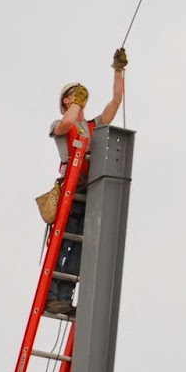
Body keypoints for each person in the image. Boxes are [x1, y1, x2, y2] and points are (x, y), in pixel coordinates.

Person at [44, 48, 127, 316]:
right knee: (62, 243)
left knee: (80, 247)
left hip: (88, 192)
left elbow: (115, 102)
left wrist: (118, 71)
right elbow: (67, 123)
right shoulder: (60, 124)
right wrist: (76, 102)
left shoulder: (93, 126)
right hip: (70, 190)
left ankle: (64, 297)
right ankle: (52, 296)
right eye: (74, 95)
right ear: (67, 101)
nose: (80, 99)